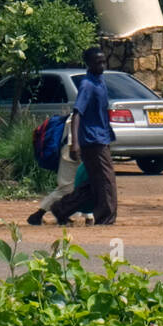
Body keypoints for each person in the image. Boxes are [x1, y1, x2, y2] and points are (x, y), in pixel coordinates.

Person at [51, 46, 117, 226]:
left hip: (102, 137)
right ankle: (106, 217)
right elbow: (77, 113)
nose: (102, 66)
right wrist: (75, 144)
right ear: (89, 64)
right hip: (92, 140)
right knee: (106, 180)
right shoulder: (87, 85)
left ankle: (62, 208)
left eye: (103, 62)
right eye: (98, 63)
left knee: (95, 183)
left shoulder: (100, 81)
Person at [27, 111, 92, 225]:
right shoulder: (78, 114)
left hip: (77, 154)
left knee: (82, 187)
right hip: (71, 155)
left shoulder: (82, 112)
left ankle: (87, 217)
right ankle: (38, 214)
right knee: (66, 188)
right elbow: (73, 138)